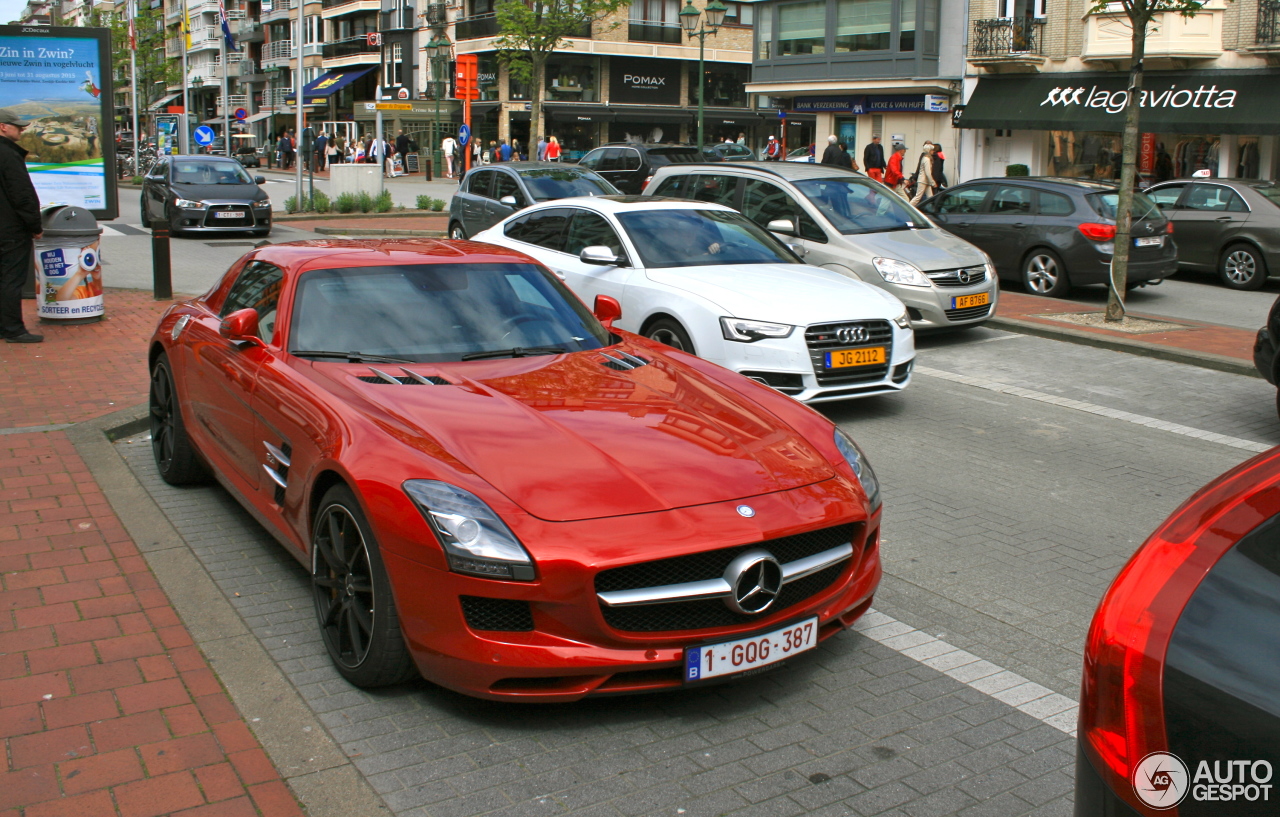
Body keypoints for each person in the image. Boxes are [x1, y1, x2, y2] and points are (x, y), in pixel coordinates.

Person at [0, 108, 43, 343]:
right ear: (3, 127)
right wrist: (35, 225)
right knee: (11, 279)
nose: (21, 129)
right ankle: (13, 329)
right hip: (10, 229)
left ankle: (3, 326)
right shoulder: (8, 154)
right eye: (17, 126)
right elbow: (22, 194)